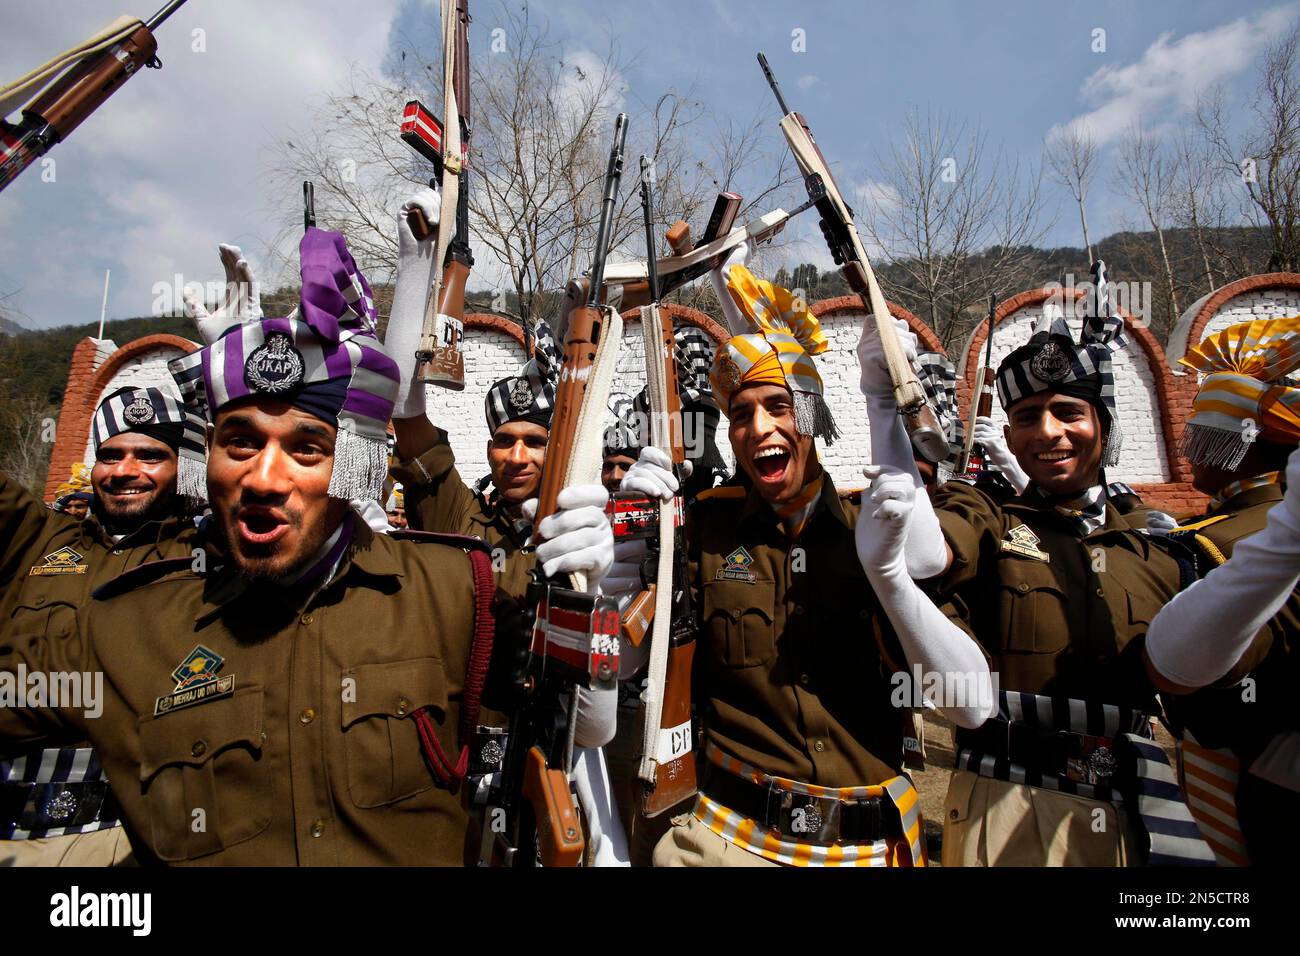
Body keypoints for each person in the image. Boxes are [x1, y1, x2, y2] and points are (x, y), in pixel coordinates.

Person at [0, 227, 613, 865]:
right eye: (240, 442)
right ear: (204, 459)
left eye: (305, 449)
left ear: (347, 465)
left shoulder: (455, 589)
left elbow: (588, 727)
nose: (265, 479)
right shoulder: (123, 623)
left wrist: (584, 593)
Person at [611, 245, 992, 867]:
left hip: (865, 846)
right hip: (728, 840)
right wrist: (625, 562)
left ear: (811, 418)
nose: (759, 427)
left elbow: (968, 704)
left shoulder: (877, 529)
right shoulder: (701, 531)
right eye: (740, 414)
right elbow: (628, 664)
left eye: (779, 406)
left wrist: (889, 576)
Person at [910, 307, 1249, 866]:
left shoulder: (1161, 544)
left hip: (1135, 809)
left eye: (1068, 411)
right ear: (1011, 439)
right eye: (1026, 417)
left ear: (1103, 423)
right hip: (1010, 804)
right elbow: (936, 549)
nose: (1048, 432)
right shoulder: (993, 522)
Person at [1, 385, 205, 866]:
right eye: (110, 455)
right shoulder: (38, 539)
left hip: (121, 836)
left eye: (150, 456)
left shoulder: (205, 557)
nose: (124, 471)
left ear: (186, 467)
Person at [1142, 315, 1300, 866]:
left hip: (1247, 759)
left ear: (1245, 447)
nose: (1191, 452)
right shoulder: (1240, 522)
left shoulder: (1220, 541)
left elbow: (1203, 696)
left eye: (1205, 438)